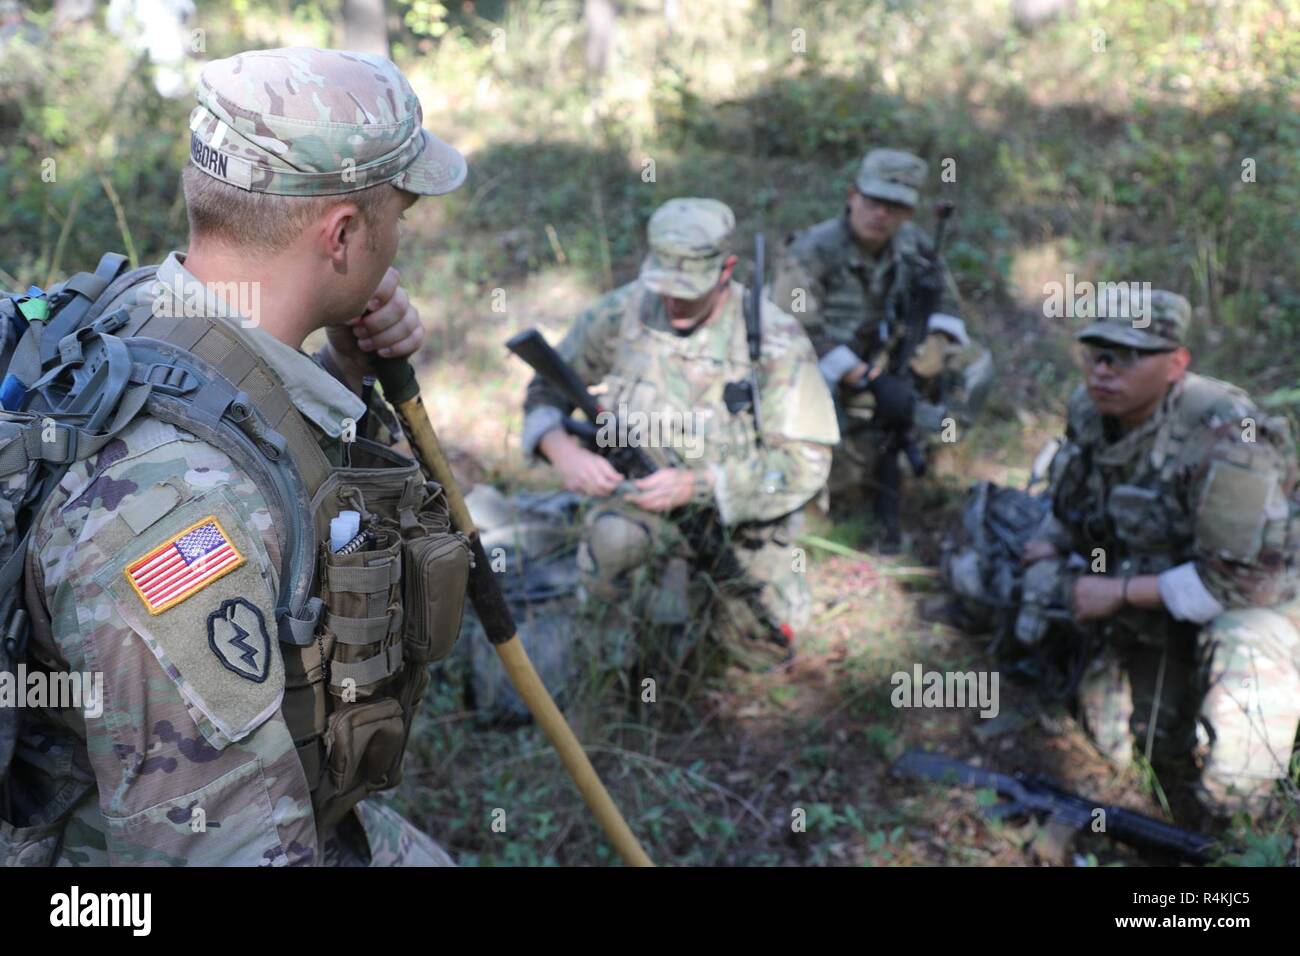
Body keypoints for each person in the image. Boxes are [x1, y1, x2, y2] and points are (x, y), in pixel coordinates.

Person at [1, 46, 470, 866]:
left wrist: (348, 375)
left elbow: (274, 454)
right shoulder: (178, 517)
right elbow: (213, 848)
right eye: (401, 208)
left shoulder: (150, 313)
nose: (402, 234)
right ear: (345, 233)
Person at [520, 198, 839, 673]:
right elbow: (546, 385)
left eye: (689, 291)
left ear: (727, 270)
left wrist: (699, 486)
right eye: (665, 288)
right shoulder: (625, 311)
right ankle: (609, 671)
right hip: (639, 503)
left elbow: (807, 462)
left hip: (735, 522)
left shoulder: (773, 339)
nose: (673, 302)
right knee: (613, 542)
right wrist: (561, 449)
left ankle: (693, 603)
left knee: (764, 646)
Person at [1021, 290, 1300, 816]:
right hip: (1167, 582)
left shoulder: (1230, 438)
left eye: (1125, 357)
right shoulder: (1092, 412)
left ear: (1176, 365)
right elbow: (1084, 500)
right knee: (1126, 745)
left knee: (1245, 648)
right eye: (1094, 354)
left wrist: (1118, 591)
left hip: (1263, 597)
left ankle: (1242, 829)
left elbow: (1241, 585)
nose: (1103, 371)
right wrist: (1055, 544)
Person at [771, 147, 992, 551]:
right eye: (873, 202)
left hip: (889, 357)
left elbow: (946, 304)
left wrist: (936, 343)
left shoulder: (914, 246)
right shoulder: (813, 250)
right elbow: (791, 328)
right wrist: (865, 377)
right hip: (827, 362)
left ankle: (929, 446)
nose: (881, 216)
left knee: (975, 363)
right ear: (852, 195)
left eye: (895, 207)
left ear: (908, 212)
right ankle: (815, 486)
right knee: (802, 378)